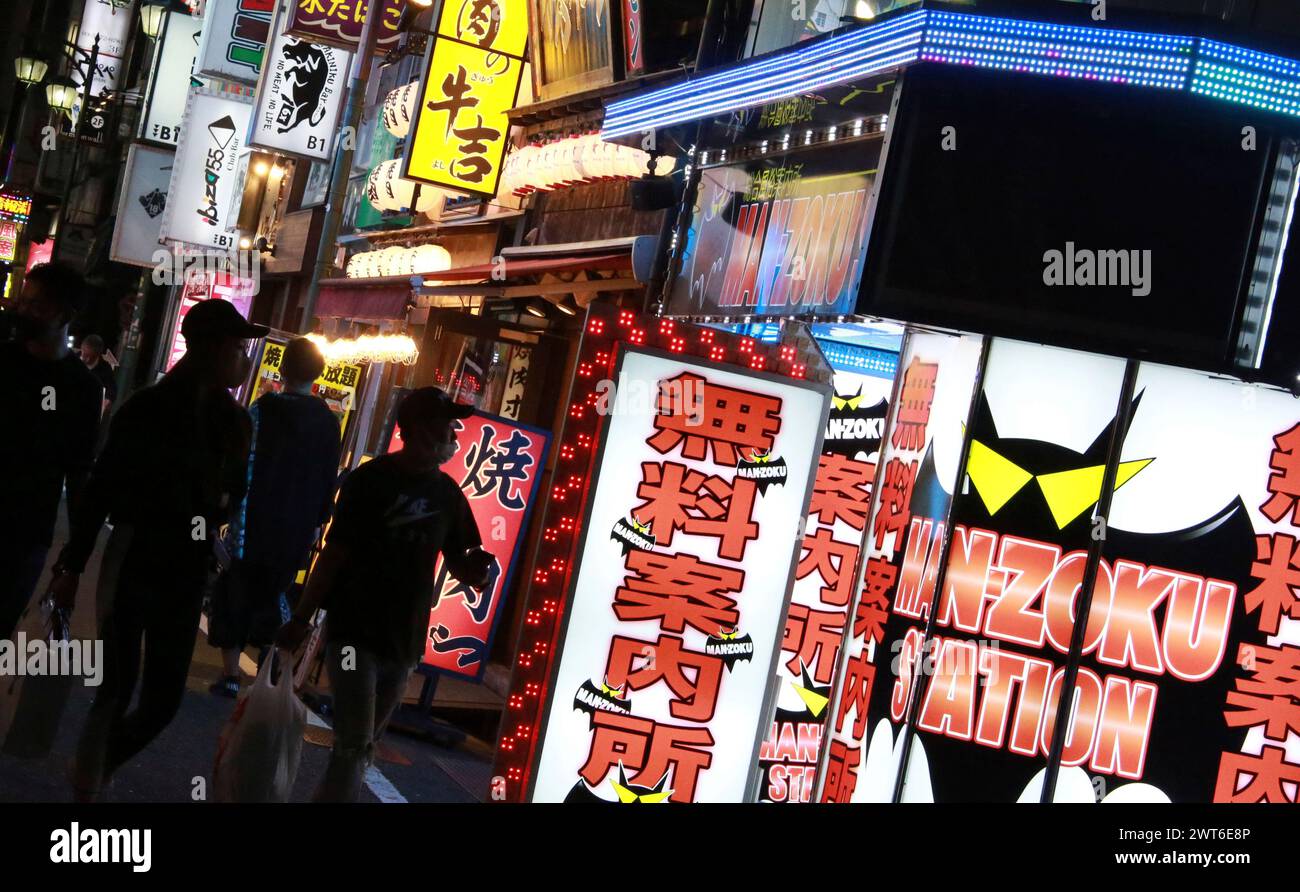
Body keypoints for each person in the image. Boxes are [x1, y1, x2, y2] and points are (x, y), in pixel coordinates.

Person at [49, 298, 266, 801]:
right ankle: (88, 783)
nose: (244, 359)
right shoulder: (149, 407)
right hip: (135, 554)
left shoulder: (234, 421)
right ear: (210, 349)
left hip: (184, 568)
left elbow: (234, 494)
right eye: (237, 348)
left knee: (163, 699)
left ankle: (93, 764)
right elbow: (102, 487)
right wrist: (72, 564)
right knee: (119, 683)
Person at [276, 387, 493, 802]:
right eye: (448, 422)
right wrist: (302, 620)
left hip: (405, 640)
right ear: (421, 429)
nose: (455, 430)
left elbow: (463, 561)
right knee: (355, 745)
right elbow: (334, 554)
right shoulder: (370, 481)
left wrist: (479, 574)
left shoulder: (446, 495)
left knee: (359, 748)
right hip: (354, 632)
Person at [208, 338, 342, 697]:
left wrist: (226, 508)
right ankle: (270, 675)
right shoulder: (329, 422)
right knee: (277, 592)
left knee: (236, 589)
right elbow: (329, 477)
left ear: (283, 370)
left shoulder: (261, 409)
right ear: (318, 374)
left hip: (253, 519)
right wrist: (318, 522)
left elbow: (239, 465)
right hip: (296, 525)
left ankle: (232, 673)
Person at [0, 263, 102, 641]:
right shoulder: (3, 359)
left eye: (38, 306)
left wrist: (74, 560)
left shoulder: (83, 388)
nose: (24, 311)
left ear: (67, 315)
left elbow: (79, 471)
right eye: (25, 302)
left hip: (25, 535)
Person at [79, 333, 118, 416]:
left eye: (90, 356)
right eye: (84, 354)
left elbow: (112, 389)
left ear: (98, 355)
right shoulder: (74, 360)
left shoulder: (105, 368)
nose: (85, 359)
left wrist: (107, 400)